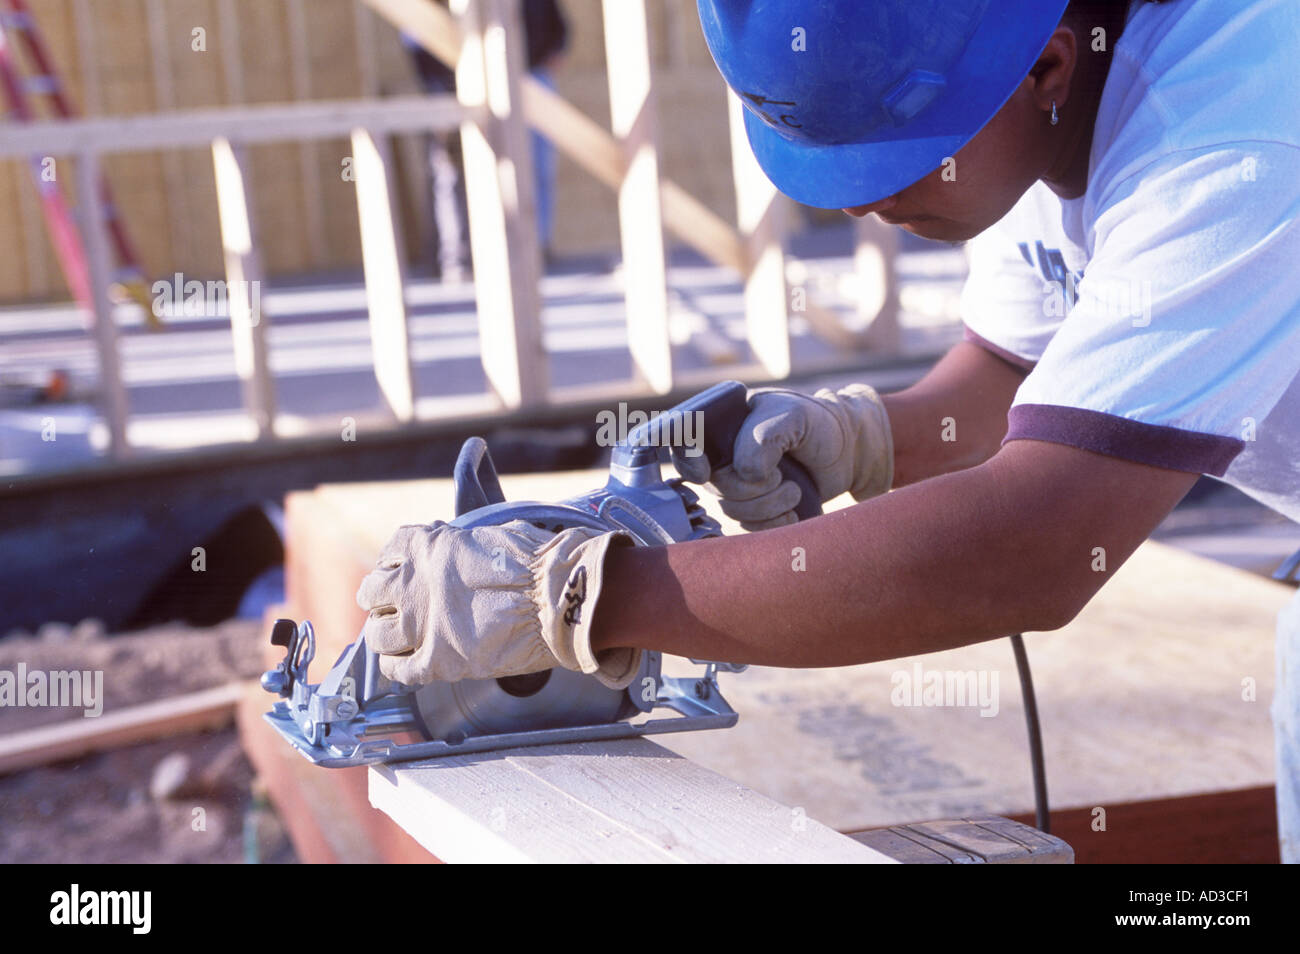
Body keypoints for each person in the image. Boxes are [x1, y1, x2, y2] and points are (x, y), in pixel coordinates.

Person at [359, 0, 1300, 860]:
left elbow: (1039, 541)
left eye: (890, 159)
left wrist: (589, 599)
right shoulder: (1041, 95)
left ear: (1048, 69)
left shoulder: (1232, 132)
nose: (854, 204)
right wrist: (859, 434)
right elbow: (1014, 375)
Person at [402, 0, 568, 280]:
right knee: (450, 172)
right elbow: (416, 39)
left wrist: (553, 47)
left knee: (535, 166)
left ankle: (534, 246)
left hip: (526, 78)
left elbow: (554, 21)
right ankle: (457, 257)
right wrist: (439, 81)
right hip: (451, 85)